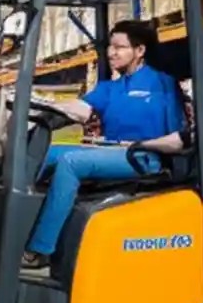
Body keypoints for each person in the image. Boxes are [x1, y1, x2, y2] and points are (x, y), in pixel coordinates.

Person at [24, 20, 185, 267]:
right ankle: (18, 228)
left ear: (139, 51)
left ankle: (41, 248)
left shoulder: (163, 84)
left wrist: (143, 145)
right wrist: (41, 104)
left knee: (71, 162)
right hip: (110, 150)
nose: (111, 52)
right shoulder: (110, 87)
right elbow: (81, 109)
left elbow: (179, 138)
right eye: (110, 46)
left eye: (119, 47)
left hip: (142, 156)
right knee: (41, 153)